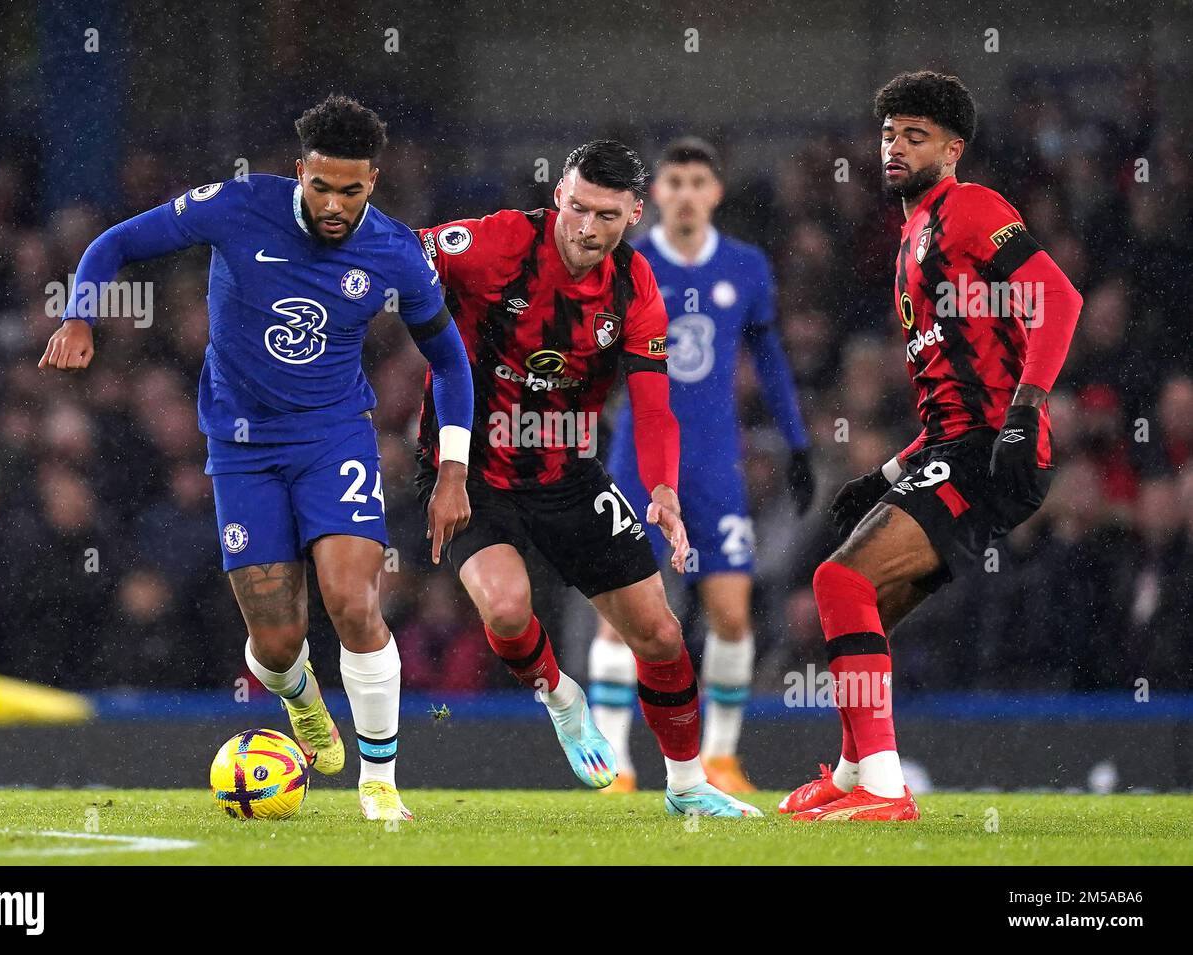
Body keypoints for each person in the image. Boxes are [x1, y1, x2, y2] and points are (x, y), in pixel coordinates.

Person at [39, 95, 474, 822]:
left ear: (375, 180)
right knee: (275, 643)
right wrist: (80, 311)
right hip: (241, 447)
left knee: (353, 600)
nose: (335, 204)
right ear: (299, 171)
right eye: (322, 186)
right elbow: (114, 243)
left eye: (353, 190)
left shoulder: (397, 251)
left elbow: (451, 363)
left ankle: (380, 782)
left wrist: (453, 468)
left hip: (333, 434)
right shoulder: (236, 206)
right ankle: (301, 698)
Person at [414, 141, 760, 817]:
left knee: (659, 633)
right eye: (575, 207)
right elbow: (399, 253)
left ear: (634, 213)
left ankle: (688, 786)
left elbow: (654, 406)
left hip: (568, 473)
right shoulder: (497, 242)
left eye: (605, 214)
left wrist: (663, 490)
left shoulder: (635, 289)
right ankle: (561, 697)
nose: (585, 227)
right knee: (509, 608)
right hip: (471, 471)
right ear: (558, 200)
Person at [782, 71, 1083, 821]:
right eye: (888, 134)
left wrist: (1026, 411)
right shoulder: (910, 243)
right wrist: (886, 470)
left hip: (994, 446)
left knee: (839, 581)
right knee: (859, 602)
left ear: (953, 148)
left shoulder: (972, 209)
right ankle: (856, 771)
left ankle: (884, 789)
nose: (895, 147)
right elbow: (948, 396)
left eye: (914, 135)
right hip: (958, 442)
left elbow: (1059, 299)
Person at [590, 137, 814, 794]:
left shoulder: (745, 267)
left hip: (715, 461)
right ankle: (612, 761)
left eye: (698, 182)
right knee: (620, 610)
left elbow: (770, 361)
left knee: (730, 612)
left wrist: (798, 444)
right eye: (674, 182)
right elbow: (590, 351)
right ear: (653, 194)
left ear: (714, 192)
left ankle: (719, 755)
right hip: (636, 455)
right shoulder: (626, 262)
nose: (685, 193)